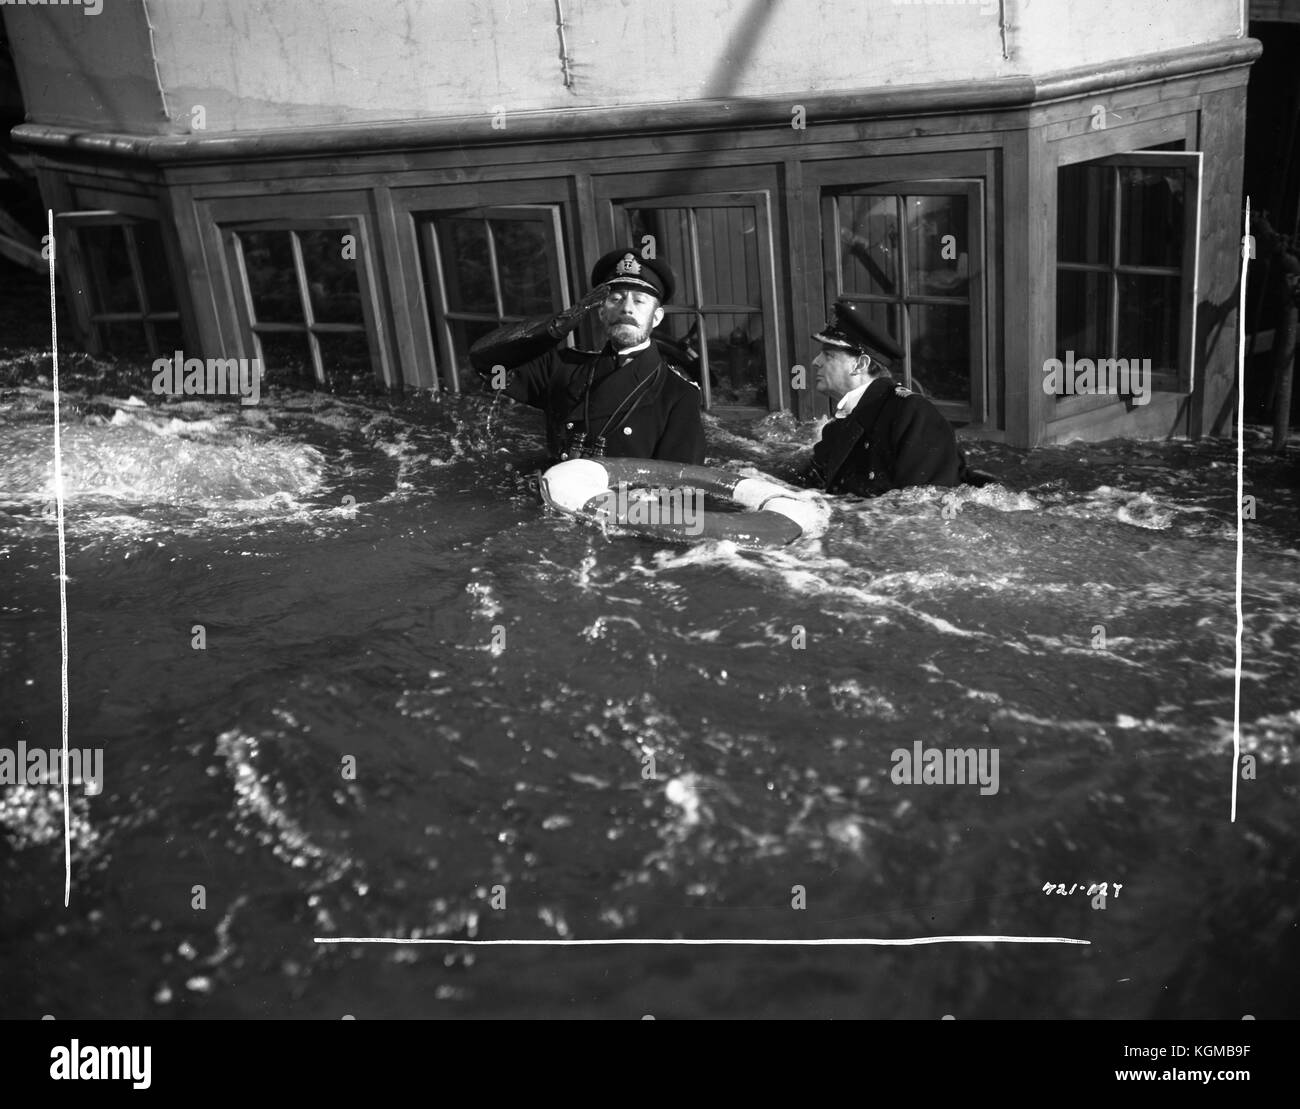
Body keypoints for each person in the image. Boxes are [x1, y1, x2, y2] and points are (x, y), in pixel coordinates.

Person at [468, 248, 706, 465]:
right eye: (616, 298)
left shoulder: (678, 394)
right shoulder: (563, 367)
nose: (627, 308)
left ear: (656, 317)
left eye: (640, 301)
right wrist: (558, 325)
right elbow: (486, 363)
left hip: (626, 510)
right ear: (601, 312)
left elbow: (682, 489)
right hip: (551, 504)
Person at [803, 300, 980, 496]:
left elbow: (927, 507)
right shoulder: (838, 426)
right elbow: (810, 486)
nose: (815, 362)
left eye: (828, 355)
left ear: (860, 365)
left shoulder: (912, 414)